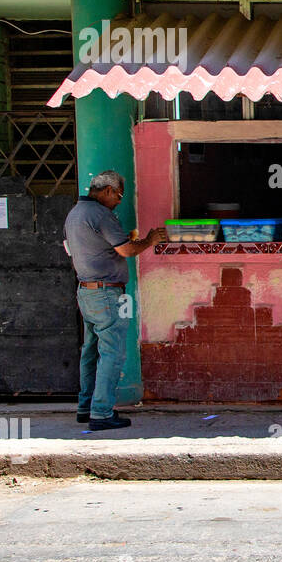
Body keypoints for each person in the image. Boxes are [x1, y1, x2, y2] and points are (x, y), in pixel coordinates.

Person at [63, 170, 167, 431]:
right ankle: (101, 413)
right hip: (108, 292)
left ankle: (85, 407)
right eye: (119, 195)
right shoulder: (101, 214)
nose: (119, 201)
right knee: (112, 353)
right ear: (107, 191)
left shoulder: (75, 213)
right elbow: (126, 250)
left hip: (86, 291)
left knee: (91, 350)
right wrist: (149, 240)